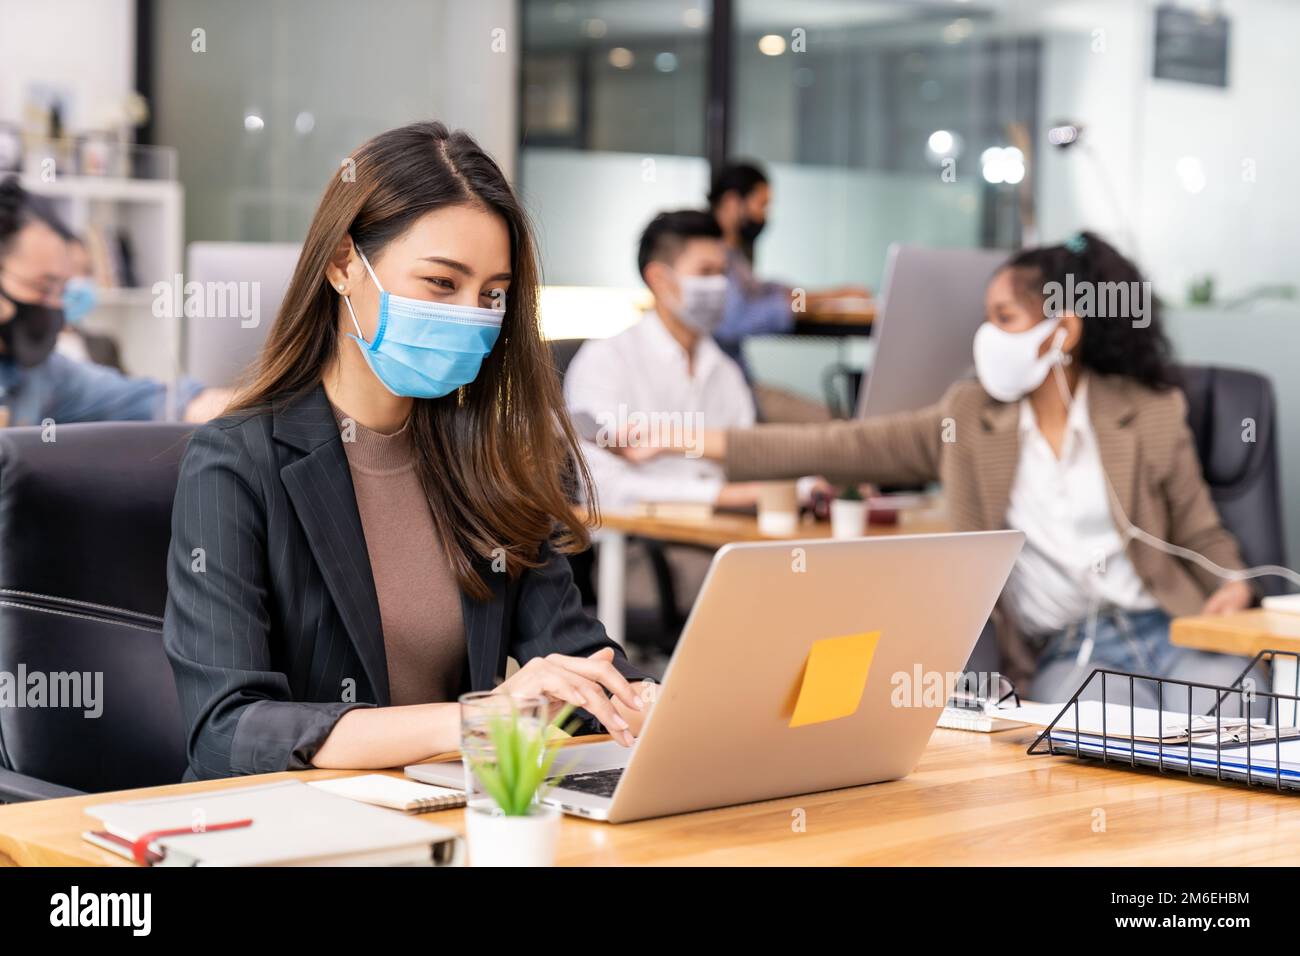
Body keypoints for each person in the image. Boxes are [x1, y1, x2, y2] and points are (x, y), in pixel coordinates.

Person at [163, 121, 655, 780]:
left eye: (493, 294)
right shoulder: (236, 462)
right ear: (343, 264)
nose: (472, 313)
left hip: (450, 817)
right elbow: (228, 731)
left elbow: (574, 660)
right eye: (442, 284)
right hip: (293, 828)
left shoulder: (486, 456)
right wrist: (478, 720)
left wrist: (639, 699)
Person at [630, 231, 1256, 703]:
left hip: (1173, 629)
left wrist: (1232, 583)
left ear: (1063, 330)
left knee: (1239, 735)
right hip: (1073, 653)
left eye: (1004, 319)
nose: (987, 336)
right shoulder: (969, 418)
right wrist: (690, 438)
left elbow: (1202, 534)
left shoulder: (1146, 411)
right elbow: (840, 448)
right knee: (1104, 762)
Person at [564, 209, 759, 512]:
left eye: (723, 274)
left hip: (727, 528)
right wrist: (717, 496)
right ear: (659, 279)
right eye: (706, 272)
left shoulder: (726, 372)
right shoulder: (607, 360)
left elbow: (746, 464)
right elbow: (604, 490)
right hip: (645, 544)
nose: (720, 286)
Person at [0, 177, 219, 425]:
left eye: (60, 289)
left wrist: (263, 400)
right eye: (42, 287)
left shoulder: (47, 376)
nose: (56, 305)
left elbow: (163, 404)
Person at [707, 161, 869, 423]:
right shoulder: (712, 254)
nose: (765, 215)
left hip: (740, 385)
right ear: (732, 202)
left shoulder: (734, 255)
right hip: (727, 396)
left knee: (843, 421)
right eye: (761, 205)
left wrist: (828, 296)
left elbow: (767, 292)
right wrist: (805, 304)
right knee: (840, 426)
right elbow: (740, 317)